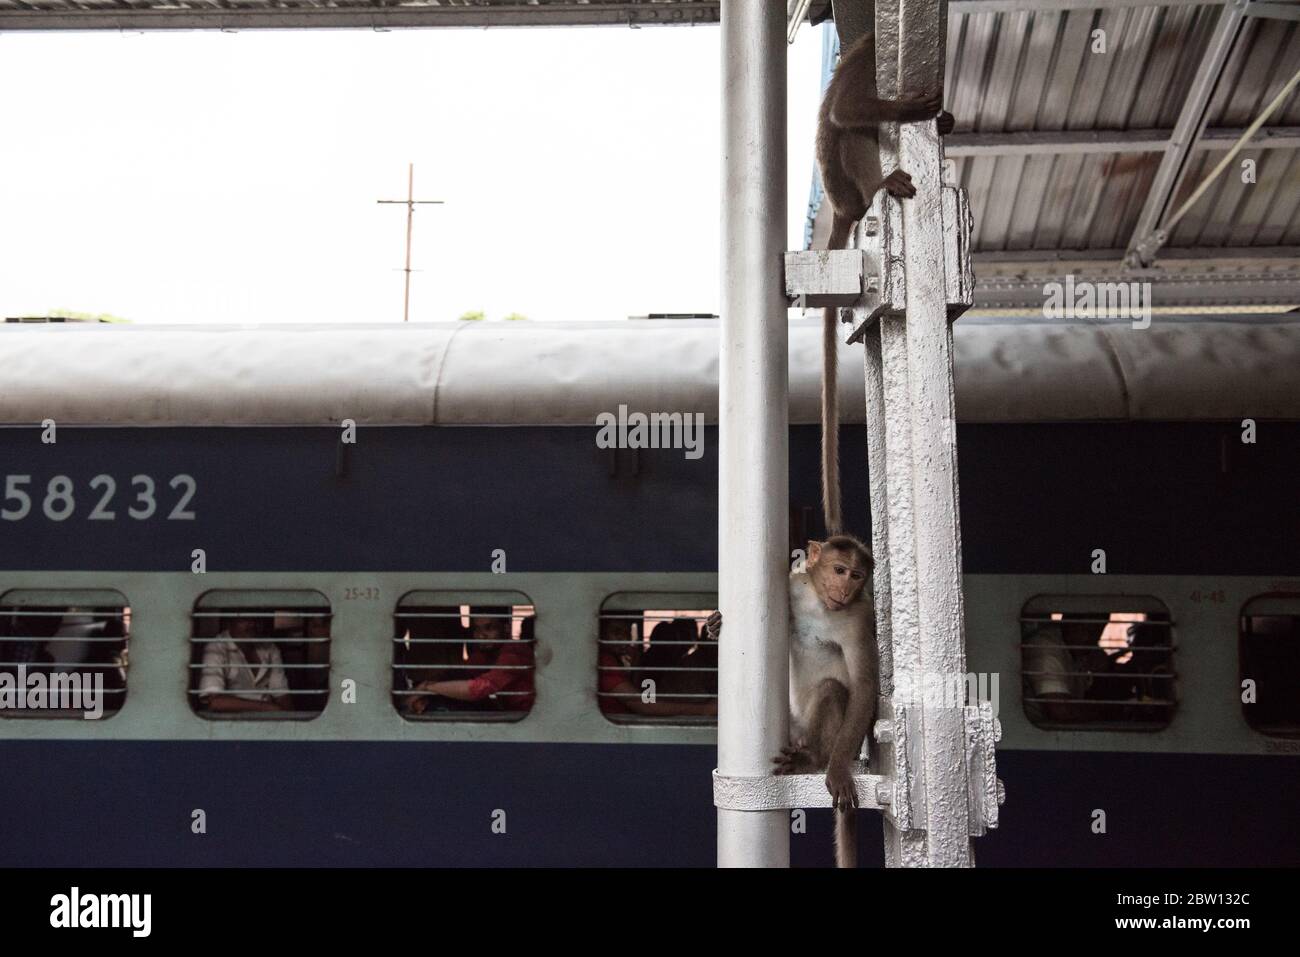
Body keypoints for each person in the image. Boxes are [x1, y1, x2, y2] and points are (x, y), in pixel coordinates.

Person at [408, 607, 535, 714]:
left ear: (506, 629)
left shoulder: (515, 651)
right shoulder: (487, 654)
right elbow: (460, 673)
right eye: (477, 629)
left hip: (530, 717)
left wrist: (429, 688)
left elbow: (481, 688)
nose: (481, 635)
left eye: (489, 628)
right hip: (512, 713)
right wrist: (423, 691)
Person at [598, 614, 718, 718]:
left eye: (627, 633)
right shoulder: (606, 661)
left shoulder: (619, 660)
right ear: (602, 633)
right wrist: (704, 710)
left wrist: (636, 664)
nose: (624, 638)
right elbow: (645, 705)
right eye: (616, 632)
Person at [1021, 613, 1110, 724]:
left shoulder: (1083, 651)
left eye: (1096, 631)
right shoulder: (1047, 646)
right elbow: (1060, 710)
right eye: (1083, 628)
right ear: (1067, 622)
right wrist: (1107, 712)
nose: (1088, 637)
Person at [198, 616, 291, 713]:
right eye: (244, 619)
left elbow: (282, 694)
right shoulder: (216, 647)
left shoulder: (269, 647)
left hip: (267, 721)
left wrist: (289, 721)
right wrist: (269, 707)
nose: (252, 624)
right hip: (229, 722)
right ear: (229, 623)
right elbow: (215, 701)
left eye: (256, 619)